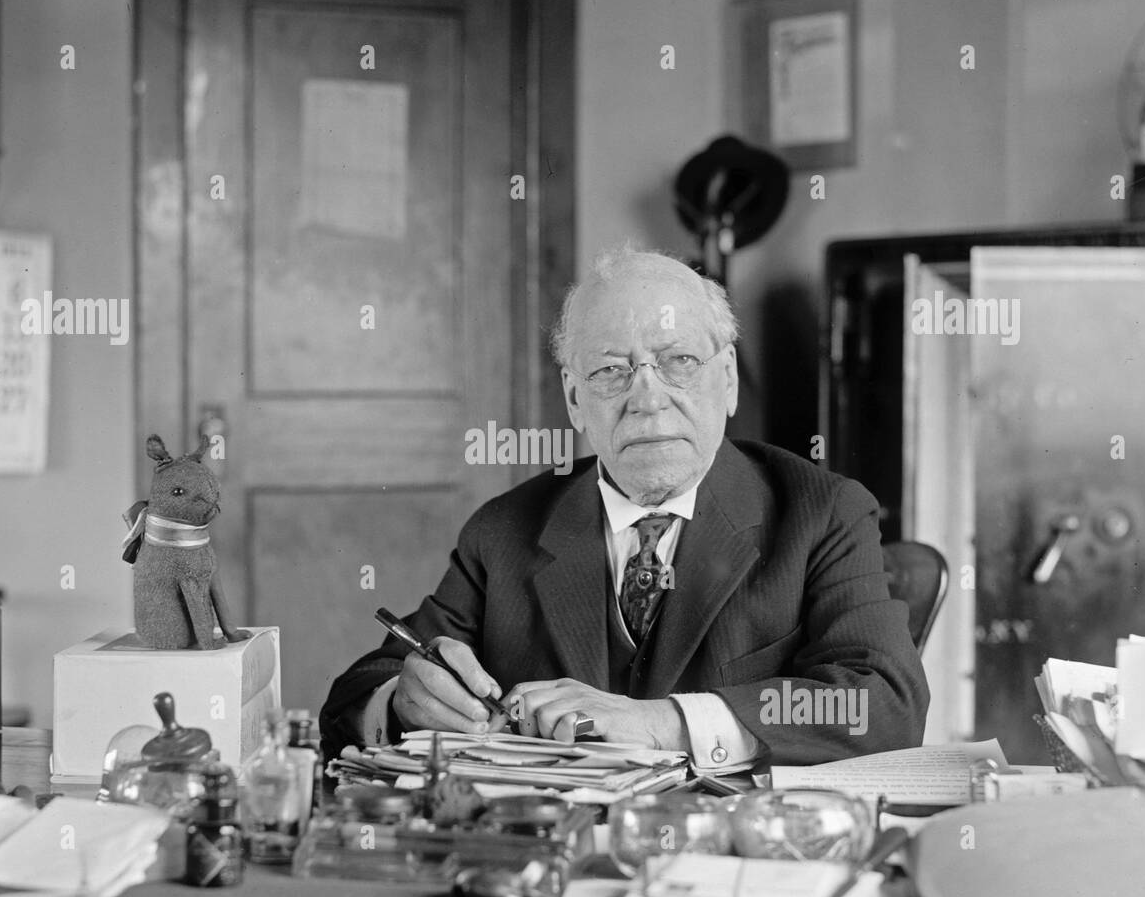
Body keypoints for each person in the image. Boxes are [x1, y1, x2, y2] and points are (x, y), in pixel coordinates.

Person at [321, 247, 928, 771]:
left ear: (729, 380)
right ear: (574, 400)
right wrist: (401, 702)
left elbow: (882, 702)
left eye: (679, 362)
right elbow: (361, 691)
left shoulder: (822, 513)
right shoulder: (504, 531)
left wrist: (663, 724)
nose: (647, 398)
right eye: (611, 370)